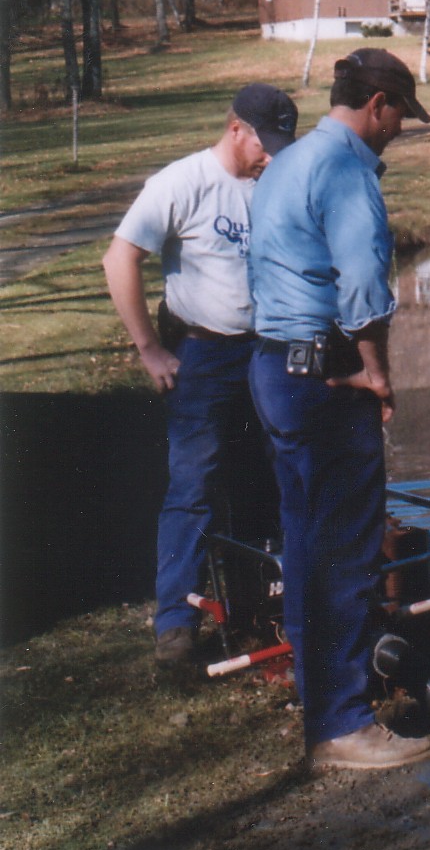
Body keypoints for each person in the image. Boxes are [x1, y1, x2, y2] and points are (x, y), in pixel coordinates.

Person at [247, 48, 430, 771]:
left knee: (304, 542)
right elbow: (361, 283)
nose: (396, 132)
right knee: (348, 551)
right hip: (328, 378)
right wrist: (376, 376)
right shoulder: (348, 169)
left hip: (273, 367)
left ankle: (318, 693)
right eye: (398, 119)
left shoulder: (286, 163)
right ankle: (342, 726)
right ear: (378, 103)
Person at [103, 83, 298, 664]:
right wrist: (149, 349)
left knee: (271, 473)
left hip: (266, 351)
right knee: (194, 483)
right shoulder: (181, 183)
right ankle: (176, 626)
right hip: (203, 355)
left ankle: (266, 605)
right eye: (265, 143)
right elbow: (120, 257)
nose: (272, 155)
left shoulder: (273, 185)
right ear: (236, 128)